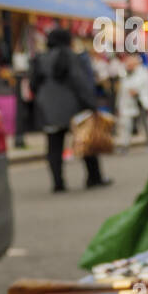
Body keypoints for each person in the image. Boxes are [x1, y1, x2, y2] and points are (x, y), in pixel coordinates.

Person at [30, 28, 109, 192]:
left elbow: (33, 85)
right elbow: (80, 82)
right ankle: (94, 177)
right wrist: (91, 104)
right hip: (73, 108)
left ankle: (58, 182)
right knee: (85, 140)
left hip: (48, 110)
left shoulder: (39, 58)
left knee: (53, 147)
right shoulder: (70, 56)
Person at [116, 54, 148, 153]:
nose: (129, 64)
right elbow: (122, 90)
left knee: (144, 124)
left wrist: (137, 91)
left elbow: (145, 85)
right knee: (125, 124)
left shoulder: (143, 72)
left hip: (140, 101)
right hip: (127, 103)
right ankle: (125, 145)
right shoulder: (125, 73)